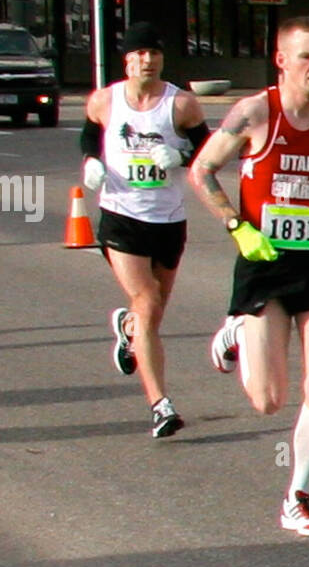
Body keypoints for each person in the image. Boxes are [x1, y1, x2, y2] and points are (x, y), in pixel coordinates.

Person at [188, 16, 309, 535]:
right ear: (281, 59)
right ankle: (236, 329)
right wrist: (237, 226)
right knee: (267, 401)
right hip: (263, 261)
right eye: (307, 56)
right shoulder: (254, 112)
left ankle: (297, 496)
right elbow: (201, 170)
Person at [79, 23, 211, 438]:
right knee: (147, 299)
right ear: (127, 61)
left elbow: (208, 154)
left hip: (168, 219)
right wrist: (90, 162)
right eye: (138, 54)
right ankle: (161, 405)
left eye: (153, 54)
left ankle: (128, 330)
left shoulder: (182, 105)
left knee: (152, 316)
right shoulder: (105, 101)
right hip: (121, 216)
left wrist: (181, 155)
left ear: (162, 59)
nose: (147, 61)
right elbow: (88, 135)